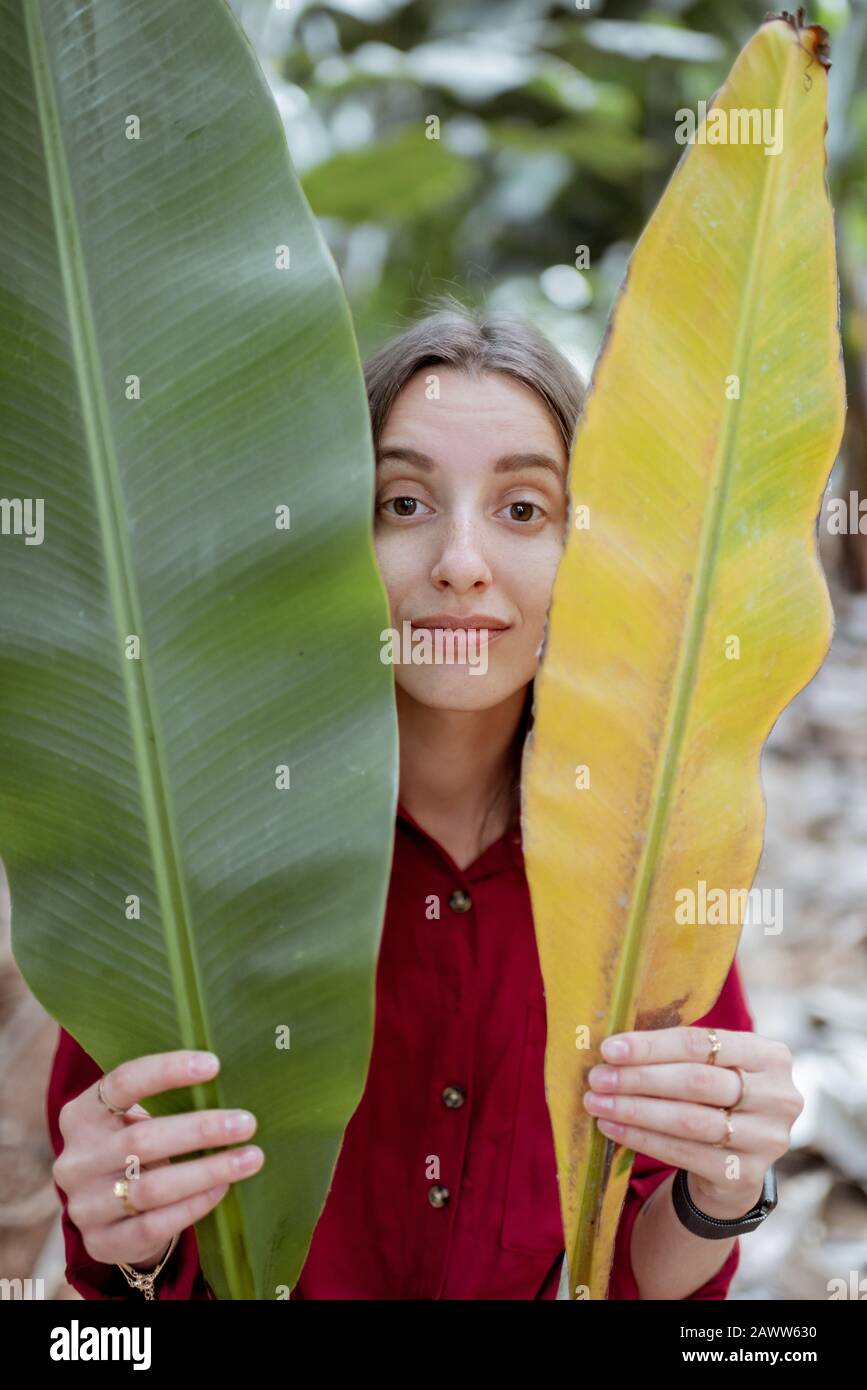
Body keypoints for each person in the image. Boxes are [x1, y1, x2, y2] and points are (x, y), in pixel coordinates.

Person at [46, 299, 803, 1300]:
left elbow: (647, 1281)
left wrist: (725, 1180)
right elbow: (120, 1279)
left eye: (523, 508)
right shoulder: (191, 854)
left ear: (593, 558)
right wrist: (128, 1236)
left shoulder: (651, 857)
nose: (459, 561)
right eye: (403, 503)